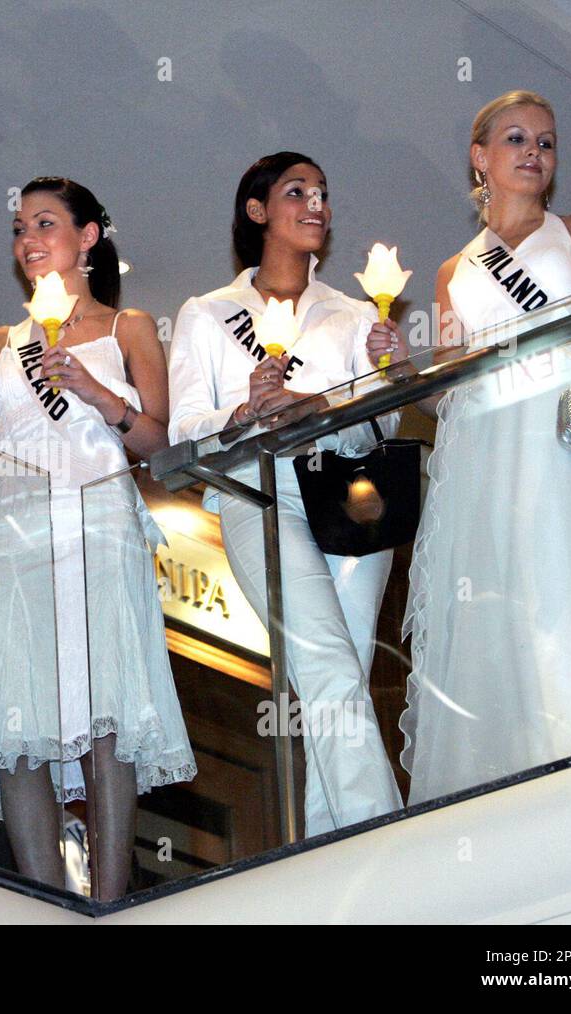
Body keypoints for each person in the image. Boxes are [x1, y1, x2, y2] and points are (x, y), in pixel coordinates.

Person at [368, 91, 571, 804]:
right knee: (512, 603)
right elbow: (447, 395)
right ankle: (528, 778)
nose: (534, 153)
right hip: (492, 448)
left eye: (546, 141)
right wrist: (405, 373)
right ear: (481, 158)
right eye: (516, 140)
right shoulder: (452, 270)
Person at [0, 177, 195, 900]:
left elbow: (160, 439)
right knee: (17, 715)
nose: (29, 239)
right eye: (21, 227)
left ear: (88, 236)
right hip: (16, 536)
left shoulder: (129, 327)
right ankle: (43, 900)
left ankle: (112, 898)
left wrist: (98, 394)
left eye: (47, 224)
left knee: (105, 708)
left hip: (99, 526)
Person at [168, 152, 405, 837]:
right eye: (297, 191)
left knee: (342, 675)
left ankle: (336, 854)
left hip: (354, 496)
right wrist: (243, 413)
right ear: (257, 210)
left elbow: (384, 423)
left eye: (324, 193)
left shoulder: (354, 312)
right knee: (328, 660)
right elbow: (186, 428)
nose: (316, 204)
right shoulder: (208, 314)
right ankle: (385, 837)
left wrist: (322, 406)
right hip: (257, 493)